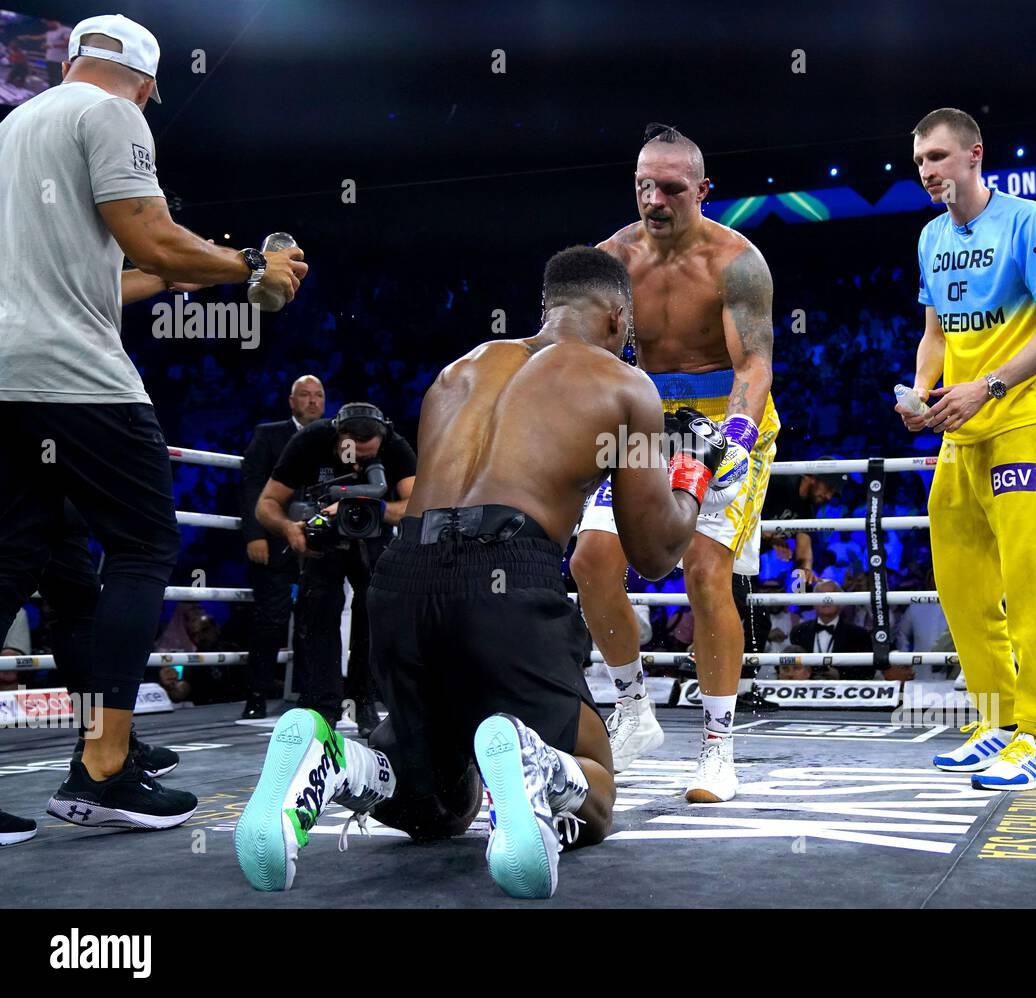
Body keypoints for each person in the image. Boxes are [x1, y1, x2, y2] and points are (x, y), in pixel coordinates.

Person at [235, 246, 727, 899]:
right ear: (617, 318)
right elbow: (655, 550)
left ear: (546, 308)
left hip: (403, 579)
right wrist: (693, 469)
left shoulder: (457, 371)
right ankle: (535, 760)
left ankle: (336, 759)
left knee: (435, 807)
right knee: (596, 791)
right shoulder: (623, 384)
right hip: (509, 579)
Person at [0, 13, 306, 833]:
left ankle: (109, 750)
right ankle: (103, 767)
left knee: (13, 561)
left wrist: (187, 278)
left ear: (70, 60)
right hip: (76, 378)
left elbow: (104, 272)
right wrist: (250, 267)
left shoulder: (13, 126)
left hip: (8, 377)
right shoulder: (112, 114)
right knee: (142, 548)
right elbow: (151, 235)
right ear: (144, 81)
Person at [569, 124, 780, 799]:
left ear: (703, 190)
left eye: (670, 188)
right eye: (643, 187)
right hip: (647, 420)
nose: (654, 200)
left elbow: (753, 362)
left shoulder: (737, 261)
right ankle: (633, 710)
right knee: (591, 560)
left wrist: (736, 440)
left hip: (728, 419)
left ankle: (718, 747)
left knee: (704, 567)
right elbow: (574, 350)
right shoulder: (609, 260)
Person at [898, 107, 1036, 789]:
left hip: (1022, 427)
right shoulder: (929, 238)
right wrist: (921, 393)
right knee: (962, 588)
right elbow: (937, 333)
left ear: (976, 155)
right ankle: (999, 723)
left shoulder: (1029, 221)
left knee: (1031, 589)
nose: (928, 172)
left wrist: (990, 387)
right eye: (920, 162)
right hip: (958, 435)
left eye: (939, 158)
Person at [254, 402, 415, 734]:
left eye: (368, 457)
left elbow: (416, 504)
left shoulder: (395, 445)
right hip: (324, 538)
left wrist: (369, 506)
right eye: (352, 455)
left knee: (374, 614)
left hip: (373, 534)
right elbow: (266, 504)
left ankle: (365, 701)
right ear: (338, 437)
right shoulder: (311, 440)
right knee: (319, 613)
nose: (358, 463)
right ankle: (322, 706)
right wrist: (289, 529)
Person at [238, 375, 326, 719]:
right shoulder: (270, 435)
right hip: (275, 541)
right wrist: (254, 534)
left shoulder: (332, 438)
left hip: (317, 545)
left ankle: (308, 694)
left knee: (313, 617)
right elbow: (251, 486)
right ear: (292, 401)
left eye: (318, 395)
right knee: (270, 617)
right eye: (305, 395)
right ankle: (256, 694)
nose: (312, 401)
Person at [788, 580, 874, 677]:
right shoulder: (799, 631)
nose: (826, 599)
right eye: (821, 595)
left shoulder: (858, 634)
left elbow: (868, 671)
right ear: (813, 601)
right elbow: (789, 665)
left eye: (831, 595)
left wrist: (840, 675)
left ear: (840, 601)